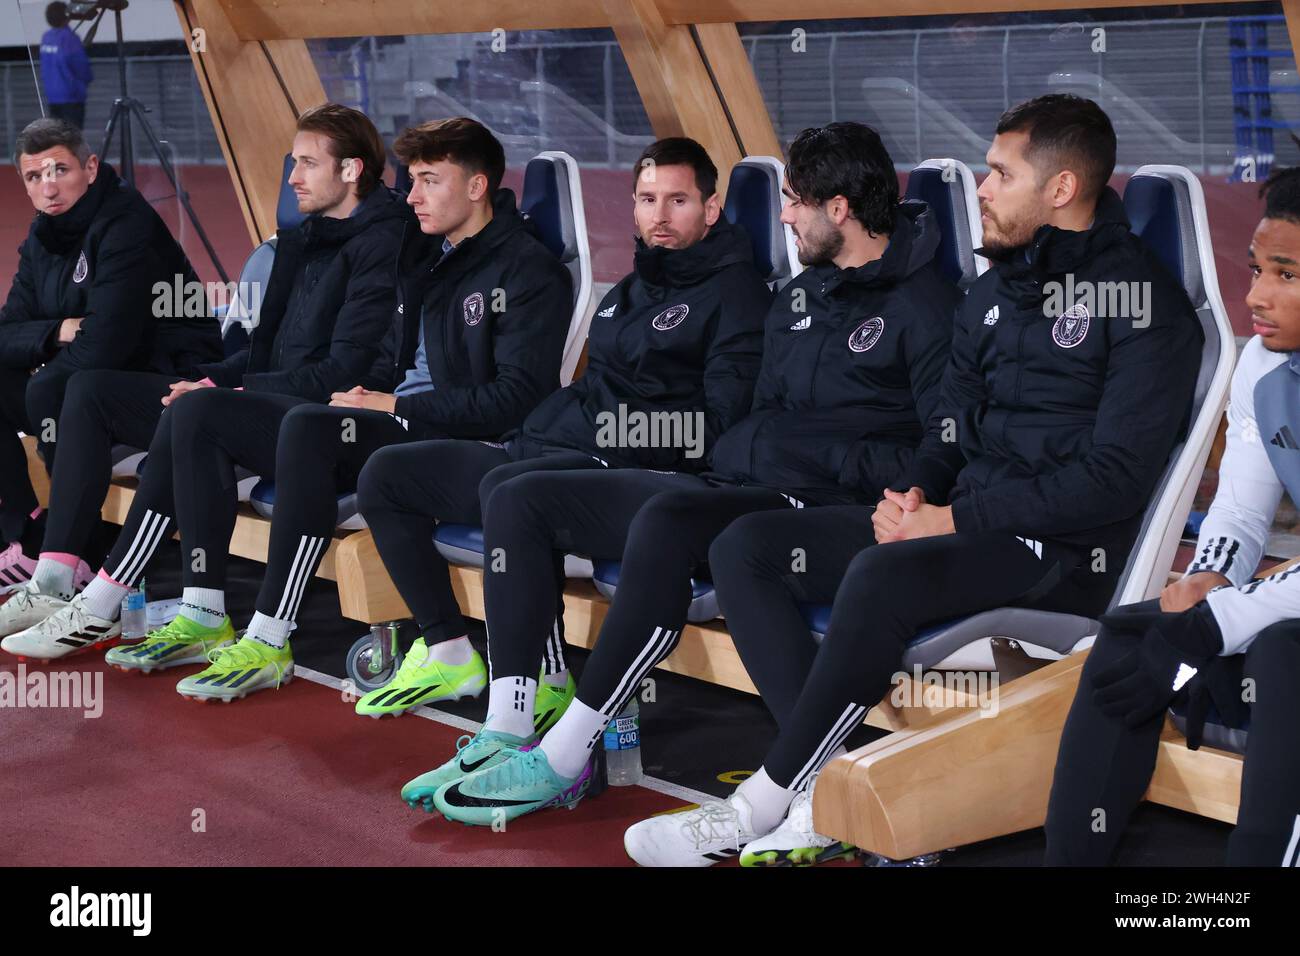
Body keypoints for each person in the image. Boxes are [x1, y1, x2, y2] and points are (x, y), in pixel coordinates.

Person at [620, 93, 1204, 866]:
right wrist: (917, 495)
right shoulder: (995, 293)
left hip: (1063, 551)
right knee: (747, 547)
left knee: (879, 574)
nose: (981, 188)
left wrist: (952, 522)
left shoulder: (1148, 308)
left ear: (1060, 190)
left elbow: (1114, 481)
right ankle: (823, 785)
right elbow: (950, 428)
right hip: (966, 523)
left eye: (998, 173)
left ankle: (762, 800)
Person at [417, 123, 959, 833]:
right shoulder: (802, 299)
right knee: (561, 502)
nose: (784, 215)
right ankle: (537, 731)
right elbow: (759, 416)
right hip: (753, 480)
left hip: (841, 505)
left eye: (795, 201)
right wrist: (757, 451)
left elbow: (939, 446)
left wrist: (782, 455)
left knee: (686, 527)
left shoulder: (926, 306)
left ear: (840, 208)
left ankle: (600, 754)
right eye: (645, 199)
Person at [90, 116, 572, 700]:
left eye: (427, 181)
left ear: (475, 188)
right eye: (410, 180)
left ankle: (271, 635)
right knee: (204, 412)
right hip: (396, 416)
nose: (410, 196)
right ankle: (202, 610)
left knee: (309, 427)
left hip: (463, 436)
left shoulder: (526, 270)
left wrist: (393, 402)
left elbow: (516, 398)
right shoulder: (437, 253)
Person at [357, 136, 770, 750]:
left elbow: (716, 427)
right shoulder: (631, 289)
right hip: (565, 446)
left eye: (678, 200)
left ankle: (521, 702)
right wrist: (549, 432)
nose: (660, 215)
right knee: (389, 474)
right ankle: (452, 647)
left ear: (711, 210)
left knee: (510, 490)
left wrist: (606, 437)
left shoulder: (736, 296)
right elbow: (594, 389)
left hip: (651, 472)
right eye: (648, 199)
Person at [0, 104, 405, 663]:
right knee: (93, 390)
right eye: (294, 163)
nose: (291, 177)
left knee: (193, 412)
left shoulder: (383, 247)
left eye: (306, 164)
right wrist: (214, 378)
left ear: (351, 170)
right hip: (268, 397)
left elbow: (345, 373)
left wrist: (230, 393)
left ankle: (111, 599)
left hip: (324, 416)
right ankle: (55, 574)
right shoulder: (299, 240)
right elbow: (259, 350)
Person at [1045, 163, 1300, 867]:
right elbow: (1243, 511)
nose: (1256, 295)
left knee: (1280, 653)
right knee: (1134, 630)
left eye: (1287, 275)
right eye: (1255, 269)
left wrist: (1218, 619)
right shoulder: (1264, 368)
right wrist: (1206, 584)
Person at [0, 117, 219, 591]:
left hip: (170, 376)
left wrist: (56, 344)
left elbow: (105, 345)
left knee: (53, 387)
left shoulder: (127, 224)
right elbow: (7, 331)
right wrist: (58, 329)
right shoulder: (43, 236)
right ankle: (27, 532)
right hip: (94, 376)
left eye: (60, 170)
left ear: (91, 167)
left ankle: (81, 554)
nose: (48, 186)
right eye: (35, 177)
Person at [39, 3, 92, 130]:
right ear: (67, 16)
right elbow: (82, 68)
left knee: (57, 138)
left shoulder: (46, 37)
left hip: (52, 96)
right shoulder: (70, 38)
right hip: (71, 97)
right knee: (73, 139)